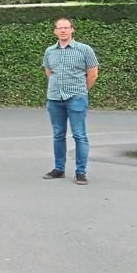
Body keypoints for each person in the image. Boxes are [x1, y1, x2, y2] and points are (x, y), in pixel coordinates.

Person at [42, 17, 99, 185]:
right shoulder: (50, 51)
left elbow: (93, 74)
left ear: (72, 30)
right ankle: (59, 169)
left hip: (76, 98)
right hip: (54, 98)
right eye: (60, 28)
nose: (63, 31)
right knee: (58, 135)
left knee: (79, 135)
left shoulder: (84, 50)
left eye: (66, 27)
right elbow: (49, 72)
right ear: (55, 31)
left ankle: (81, 172)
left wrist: (82, 91)